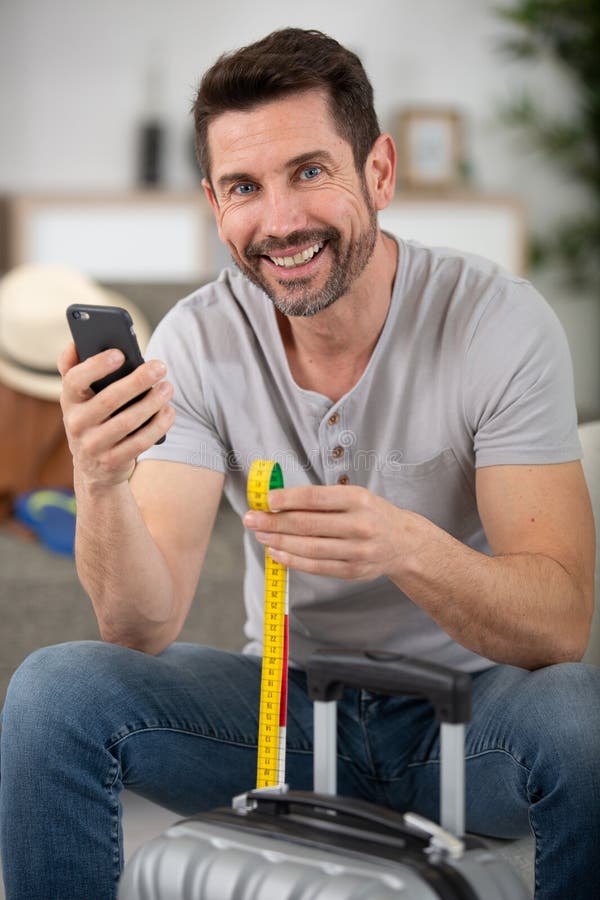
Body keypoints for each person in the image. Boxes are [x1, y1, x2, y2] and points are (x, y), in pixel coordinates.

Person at [0, 27, 597, 900]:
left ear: (380, 172)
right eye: (245, 186)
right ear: (214, 203)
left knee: (582, 719)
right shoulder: (200, 339)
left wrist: (405, 546)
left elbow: (559, 626)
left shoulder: (496, 324)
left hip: (469, 728)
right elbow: (141, 626)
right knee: (54, 693)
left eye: (310, 172)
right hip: (285, 720)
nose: (279, 222)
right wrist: (97, 479)